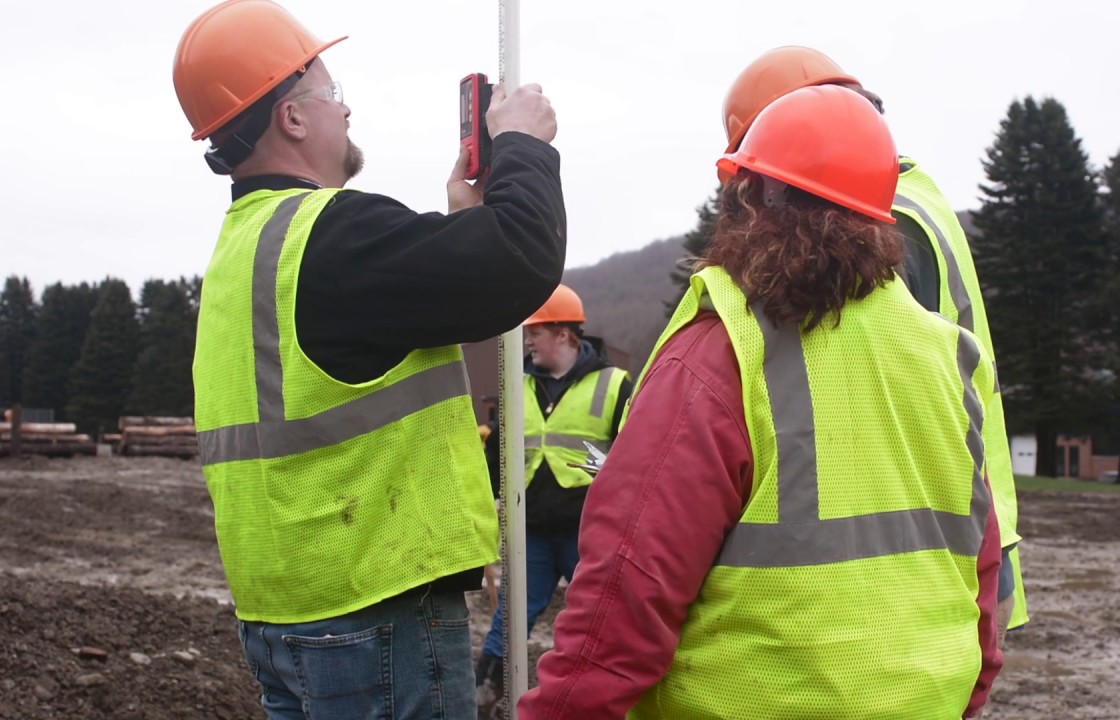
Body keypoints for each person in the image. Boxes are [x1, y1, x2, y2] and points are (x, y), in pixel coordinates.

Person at [519, 85, 1003, 719]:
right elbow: (981, 571)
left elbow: (626, 593)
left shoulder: (723, 351)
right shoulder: (945, 355)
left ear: (750, 199)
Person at [173, 0, 565, 717]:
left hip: (284, 618)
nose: (346, 114)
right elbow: (519, 259)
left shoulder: (243, 253)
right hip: (376, 618)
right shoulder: (333, 233)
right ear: (292, 117)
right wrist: (523, 147)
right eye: (333, 95)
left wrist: (460, 221)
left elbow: (409, 312)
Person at [720, 46, 1028, 638]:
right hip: (953, 505)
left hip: (911, 521)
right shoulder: (909, 200)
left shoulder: (878, 220)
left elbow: (851, 374)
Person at [474, 284, 632, 714]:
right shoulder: (516, 383)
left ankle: (600, 701)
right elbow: (495, 453)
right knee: (510, 617)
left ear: (564, 334)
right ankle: (486, 694)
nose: (527, 342)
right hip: (534, 532)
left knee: (603, 622)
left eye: (535, 333)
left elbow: (636, 458)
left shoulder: (615, 385)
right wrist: (485, 501)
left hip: (591, 530)